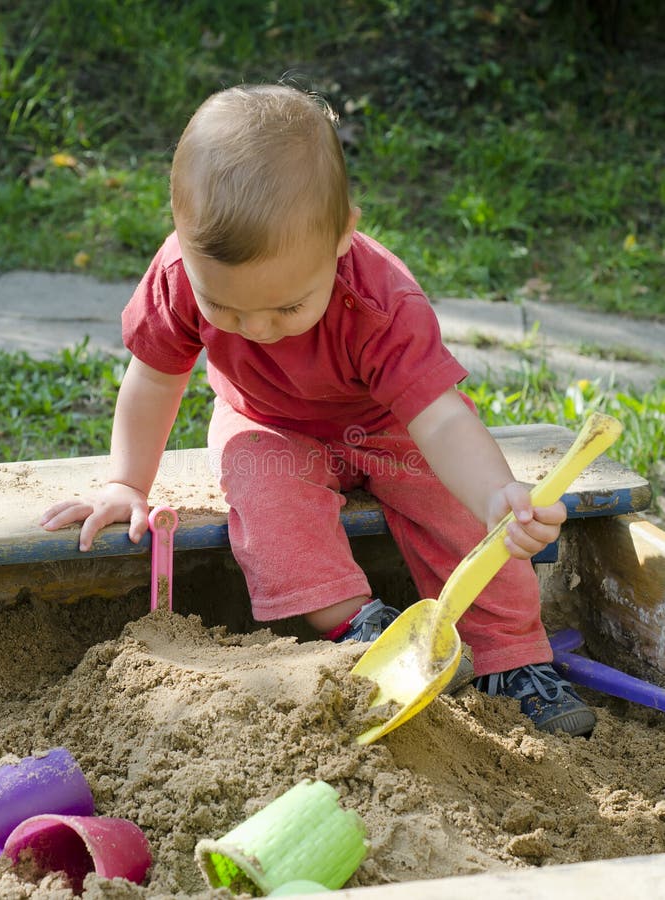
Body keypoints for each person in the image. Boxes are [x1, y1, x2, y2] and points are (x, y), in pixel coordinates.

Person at [41, 83, 596, 737]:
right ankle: (362, 631)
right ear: (182, 243)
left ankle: (511, 659)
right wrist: (125, 483)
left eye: (287, 308)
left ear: (341, 238)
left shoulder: (380, 300)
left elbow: (441, 419)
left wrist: (495, 493)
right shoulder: (177, 277)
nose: (258, 329)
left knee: (464, 518)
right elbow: (155, 380)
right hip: (268, 421)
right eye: (227, 310)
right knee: (266, 501)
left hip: (395, 425)